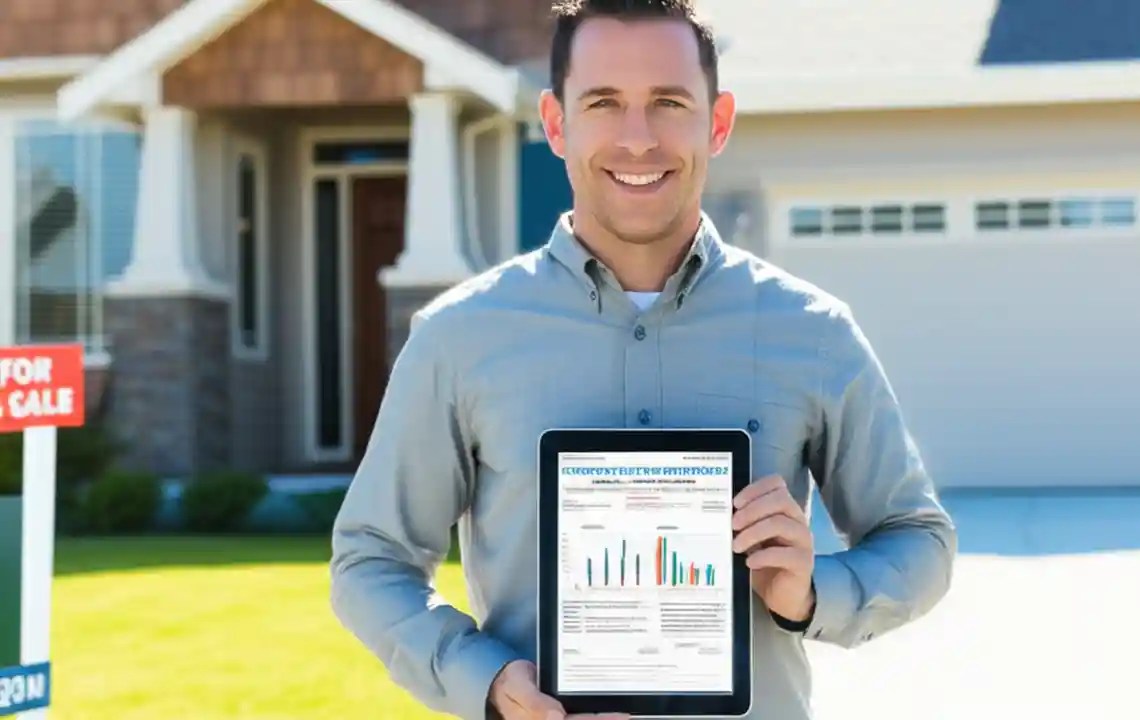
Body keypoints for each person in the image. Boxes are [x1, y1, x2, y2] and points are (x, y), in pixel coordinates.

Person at [329, 1, 957, 718]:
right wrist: (489, 682)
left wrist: (813, 592)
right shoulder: (458, 338)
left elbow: (919, 541)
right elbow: (370, 561)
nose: (637, 139)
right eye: (603, 102)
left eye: (668, 102)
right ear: (556, 122)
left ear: (716, 122)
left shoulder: (812, 332)